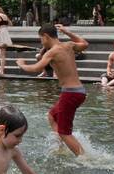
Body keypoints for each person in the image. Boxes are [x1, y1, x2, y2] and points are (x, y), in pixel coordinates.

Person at [15, 24, 90, 156]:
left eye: (41, 39)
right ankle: (60, 147)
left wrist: (22, 64)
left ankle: (84, 159)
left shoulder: (52, 52)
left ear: (46, 36)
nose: (41, 42)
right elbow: (84, 43)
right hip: (78, 91)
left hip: (70, 94)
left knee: (64, 132)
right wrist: (67, 32)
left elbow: (36, 68)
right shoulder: (69, 45)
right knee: (52, 116)